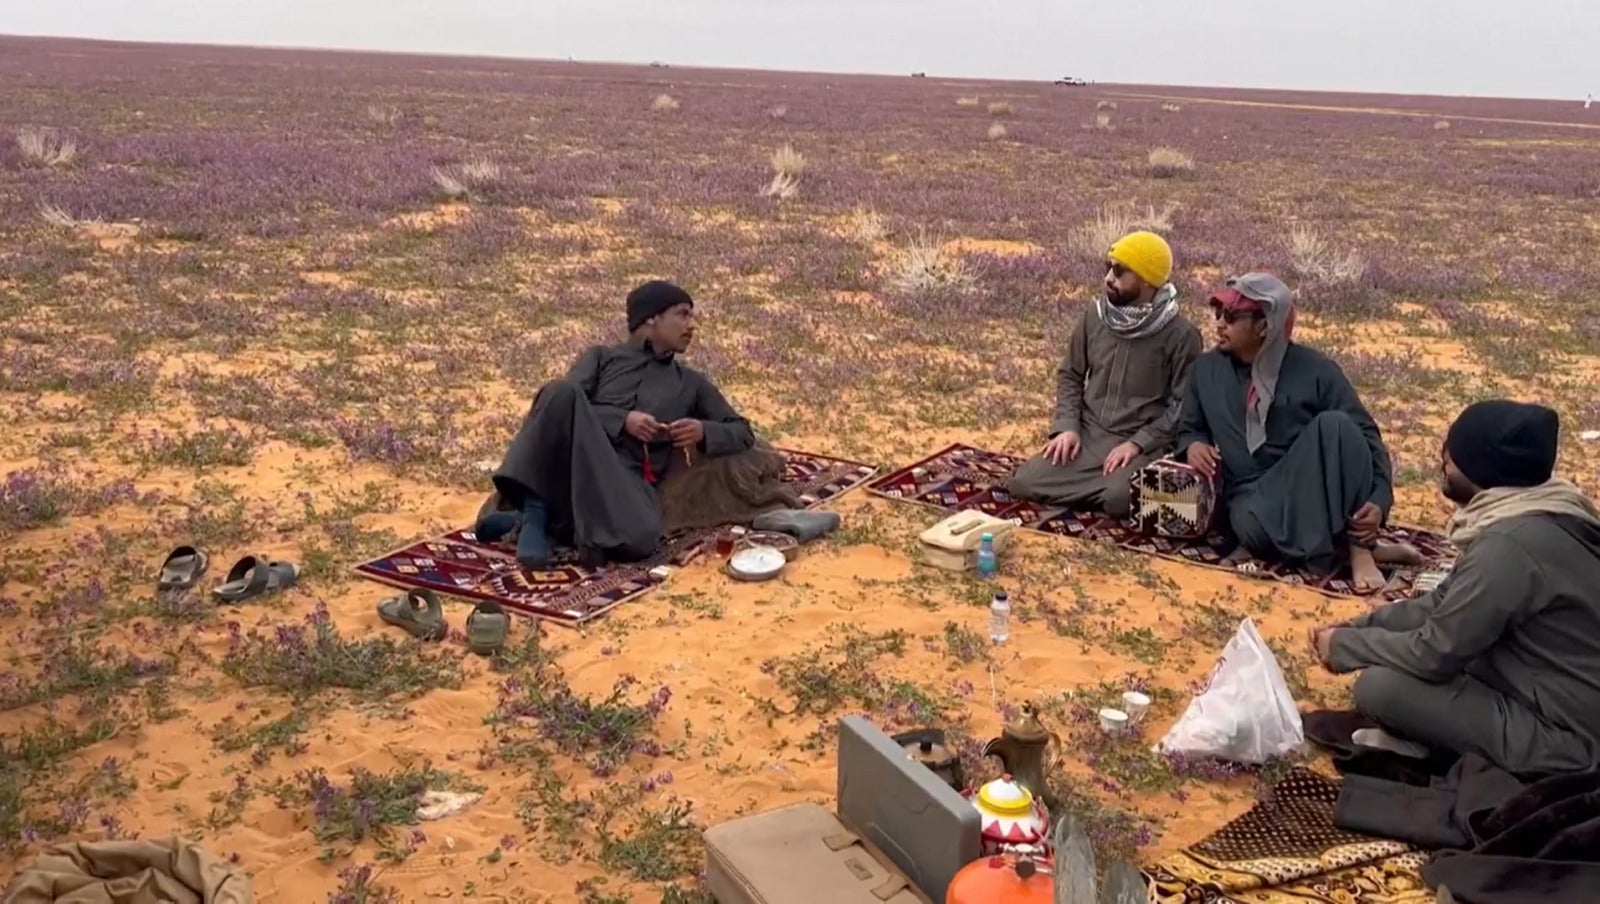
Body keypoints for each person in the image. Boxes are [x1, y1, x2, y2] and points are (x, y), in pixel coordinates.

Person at [1308, 400, 1600, 776]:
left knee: (1380, 688)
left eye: (1453, 451)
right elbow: (1440, 604)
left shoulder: (1508, 546)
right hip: (1539, 687)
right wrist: (1357, 628)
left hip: (1570, 738)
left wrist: (1346, 647)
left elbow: (1435, 653)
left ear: (1484, 467)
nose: (1442, 459)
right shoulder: (1542, 513)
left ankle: (1436, 752)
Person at [482, 280, 754, 567]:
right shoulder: (602, 358)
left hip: (627, 483)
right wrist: (622, 420)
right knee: (560, 390)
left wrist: (703, 431)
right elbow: (563, 407)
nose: (692, 325)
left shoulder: (691, 382)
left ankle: (538, 523)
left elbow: (742, 430)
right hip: (576, 468)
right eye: (683, 314)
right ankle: (535, 515)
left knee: (642, 539)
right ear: (651, 318)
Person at [1175, 272, 1413, 591]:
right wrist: (1193, 444)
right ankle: (1339, 546)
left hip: (1312, 487)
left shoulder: (1316, 369)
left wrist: (1380, 500)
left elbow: (1366, 436)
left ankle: (1360, 550)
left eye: (1230, 316)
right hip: (1253, 495)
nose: (1219, 324)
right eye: (1218, 313)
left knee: (1337, 425)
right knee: (1249, 527)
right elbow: (1189, 427)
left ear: (1264, 325)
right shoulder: (1205, 370)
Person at [1006, 231, 1202, 518]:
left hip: (1141, 444)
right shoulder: (1094, 316)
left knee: (1119, 499)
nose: (1109, 278)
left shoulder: (1182, 335)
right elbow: (1070, 375)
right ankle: (1095, 490)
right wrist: (1067, 427)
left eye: (1120, 271)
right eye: (1108, 267)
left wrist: (1138, 443)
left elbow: (1182, 405)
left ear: (1147, 280)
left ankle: (1105, 489)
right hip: (1089, 435)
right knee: (1023, 482)